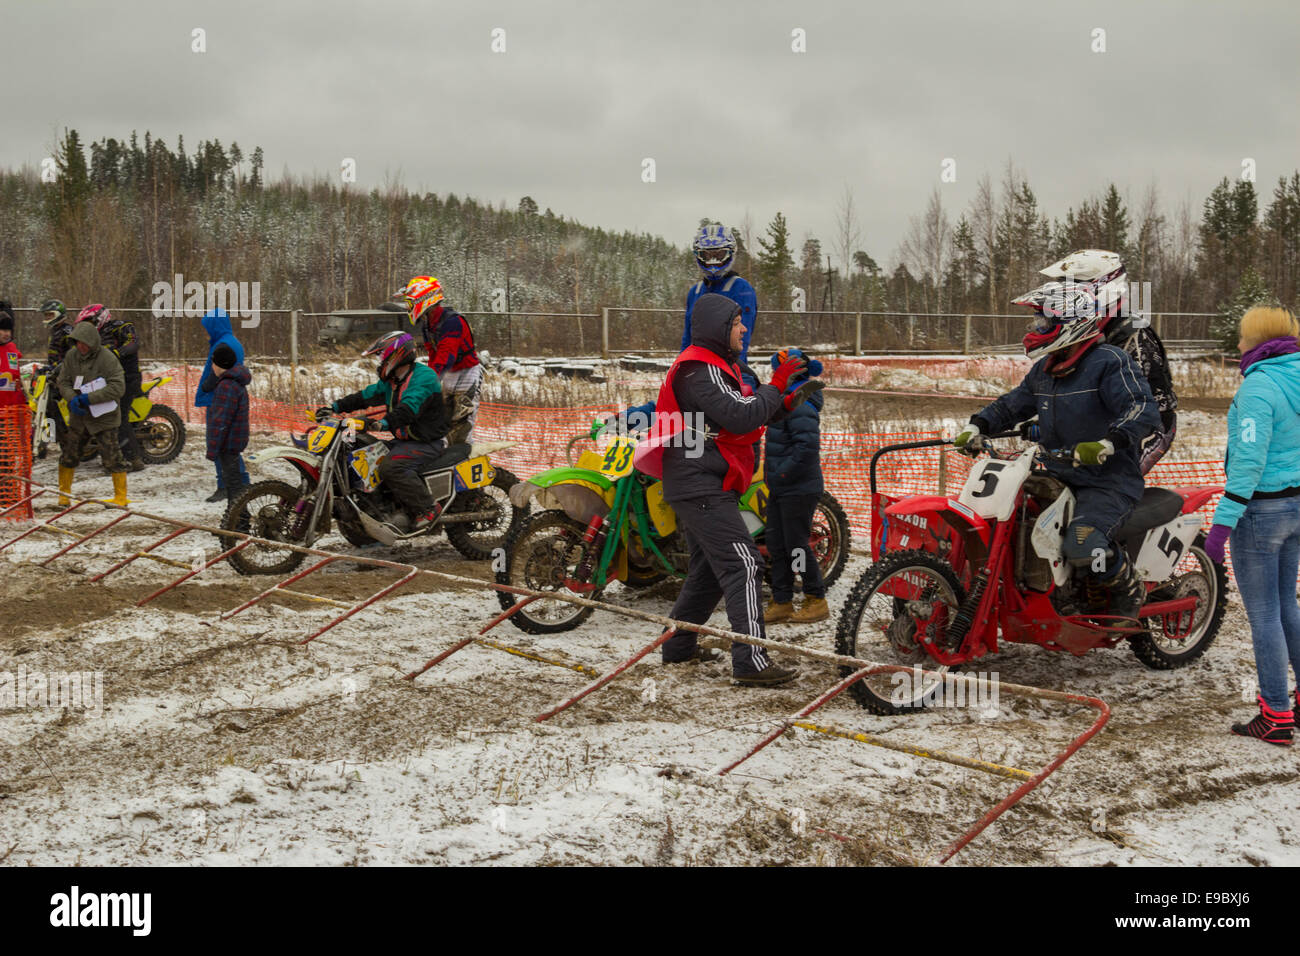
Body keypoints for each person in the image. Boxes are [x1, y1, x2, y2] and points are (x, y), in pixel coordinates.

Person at [636, 293, 821, 686]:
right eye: (738, 322)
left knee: (707, 573)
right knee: (744, 562)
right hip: (699, 482)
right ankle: (751, 662)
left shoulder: (719, 368)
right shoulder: (697, 369)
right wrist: (777, 382)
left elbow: (742, 409)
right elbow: (740, 416)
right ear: (719, 326)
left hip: (706, 479)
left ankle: (678, 647)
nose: (744, 329)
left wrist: (783, 403)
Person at [955, 267, 1160, 621]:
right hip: (1057, 474)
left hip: (1107, 481)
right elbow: (1013, 404)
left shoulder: (1109, 362)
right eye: (1037, 324)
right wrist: (978, 425)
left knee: (1083, 545)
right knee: (1014, 525)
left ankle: (1126, 587)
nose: (1035, 331)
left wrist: (1109, 443)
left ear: (1072, 323)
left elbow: (1142, 408)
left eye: (1043, 324)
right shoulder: (1046, 369)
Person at [1203, 306, 1300, 746]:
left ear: (1257, 341)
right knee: (1286, 607)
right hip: (1297, 505)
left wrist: (1223, 524)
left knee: (1263, 614)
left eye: (1242, 337)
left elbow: (1248, 461)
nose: (1238, 344)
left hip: (1261, 512)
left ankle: (1275, 714)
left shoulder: (1259, 387)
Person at [321, 331, 451, 529]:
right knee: (362, 452)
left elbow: (408, 408)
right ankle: (377, 512)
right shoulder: (393, 381)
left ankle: (428, 508)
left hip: (428, 442)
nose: (380, 362)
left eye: (382, 357)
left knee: (391, 467)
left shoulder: (423, 377)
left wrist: (383, 423)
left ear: (397, 355)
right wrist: (335, 407)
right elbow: (365, 397)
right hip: (406, 440)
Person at [762, 348, 829, 626]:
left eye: (778, 369)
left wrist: (782, 473)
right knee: (778, 545)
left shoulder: (801, 404)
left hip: (798, 487)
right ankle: (782, 600)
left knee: (797, 548)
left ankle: (815, 598)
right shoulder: (785, 401)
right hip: (781, 486)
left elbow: (807, 448)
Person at [396, 276, 482, 443]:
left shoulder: (452, 322)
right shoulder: (428, 323)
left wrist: (428, 381)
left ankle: (464, 460)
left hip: (466, 374)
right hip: (449, 374)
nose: (409, 307)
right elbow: (433, 354)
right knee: (443, 422)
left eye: (410, 302)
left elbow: (446, 357)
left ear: (423, 299)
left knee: (462, 424)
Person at [55, 322, 127, 507]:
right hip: (79, 416)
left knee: (112, 457)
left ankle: (120, 497)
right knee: (69, 454)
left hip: (104, 416)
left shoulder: (108, 358)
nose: (81, 346)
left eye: (84, 342)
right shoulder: (72, 356)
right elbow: (63, 381)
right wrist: (72, 399)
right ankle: (64, 494)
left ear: (93, 341)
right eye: (77, 342)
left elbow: (118, 387)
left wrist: (89, 398)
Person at [78, 305, 145, 472]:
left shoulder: (121, 326)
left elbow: (133, 343)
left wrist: (117, 352)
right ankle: (108, 456)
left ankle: (134, 459)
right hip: (107, 382)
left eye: (90, 321)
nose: (88, 325)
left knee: (118, 418)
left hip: (127, 379)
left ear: (100, 317)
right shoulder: (95, 337)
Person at [681, 224, 758, 366]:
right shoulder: (695, 291)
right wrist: (681, 367)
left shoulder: (741, 289)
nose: (713, 262)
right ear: (699, 256)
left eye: (718, 255)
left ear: (730, 254)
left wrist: (734, 373)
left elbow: (742, 340)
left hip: (730, 367)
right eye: (707, 256)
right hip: (698, 366)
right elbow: (687, 337)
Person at [195, 308, 249, 502]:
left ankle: (229, 486)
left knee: (222, 445)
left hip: (221, 398)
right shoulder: (228, 341)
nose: (205, 332)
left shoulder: (224, 344)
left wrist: (206, 388)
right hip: (221, 396)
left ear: (215, 326)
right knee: (227, 448)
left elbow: (216, 372)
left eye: (207, 327)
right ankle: (235, 485)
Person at [204, 344, 251, 511]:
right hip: (233, 441)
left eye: (213, 364)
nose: (212, 367)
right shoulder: (233, 382)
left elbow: (220, 422)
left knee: (234, 485)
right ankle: (236, 520)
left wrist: (212, 449)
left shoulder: (227, 386)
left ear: (220, 365)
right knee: (233, 484)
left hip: (228, 443)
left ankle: (239, 522)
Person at [0, 310, 23, 406]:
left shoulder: (11, 349)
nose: (7, 334)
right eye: (4, 330)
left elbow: (16, 376)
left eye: (9, 331)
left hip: (12, 404)